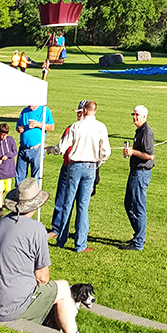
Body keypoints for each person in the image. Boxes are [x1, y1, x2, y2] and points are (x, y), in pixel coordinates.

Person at [0, 178, 76, 333]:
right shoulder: (37, 229)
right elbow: (42, 278)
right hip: (7, 308)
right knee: (62, 287)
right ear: (36, 204)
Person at [55, 101, 111, 254]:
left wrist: (52, 150)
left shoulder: (76, 126)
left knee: (68, 203)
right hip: (91, 166)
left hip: (75, 166)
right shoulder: (101, 127)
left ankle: (61, 239)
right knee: (83, 207)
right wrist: (98, 162)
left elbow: (62, 147)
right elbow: (106, 151)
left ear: (85, 111)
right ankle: (80, 244)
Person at [48, 102, 87, 239]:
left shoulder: (92, 129)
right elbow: (61, 147)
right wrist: (53, 149)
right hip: (67, 167)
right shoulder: (70, 128)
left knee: (80, 202)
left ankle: (79, 232)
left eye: (81, 112)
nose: (79, 115)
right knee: (61, 198)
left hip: (83, 168)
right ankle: (57, 229)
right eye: (78, 112)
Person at [122, 105, 155, 251]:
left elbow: (149, 155)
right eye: (133, 114)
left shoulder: (146, 132)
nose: (134, 117)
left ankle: (139, 241)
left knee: (138, 207)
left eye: (137, 115)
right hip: (135, 172)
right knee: (128, 203)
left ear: (144, 116)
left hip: (141, 173)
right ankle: (138, 235)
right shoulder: (139, 131)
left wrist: (133, 152)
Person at [15, 101, 54, 184]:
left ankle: (35, 195)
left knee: (36, 178)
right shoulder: (24, 111)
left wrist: (38, 124)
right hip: (23, 149)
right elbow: (18, 126)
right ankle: (18, 195)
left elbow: (51, 127)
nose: (30, 105)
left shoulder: (44, 110)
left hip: (37, 149)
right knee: (19, 177)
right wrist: (19, 129)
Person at [0, 123, 18, 217]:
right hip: (0, 171)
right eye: (1, 134)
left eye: (5, 134)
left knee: (4, 189)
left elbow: (14, 151)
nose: (3, 136)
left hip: (9, 170)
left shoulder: (11, 140)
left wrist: (7, 156)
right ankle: (0, 208)